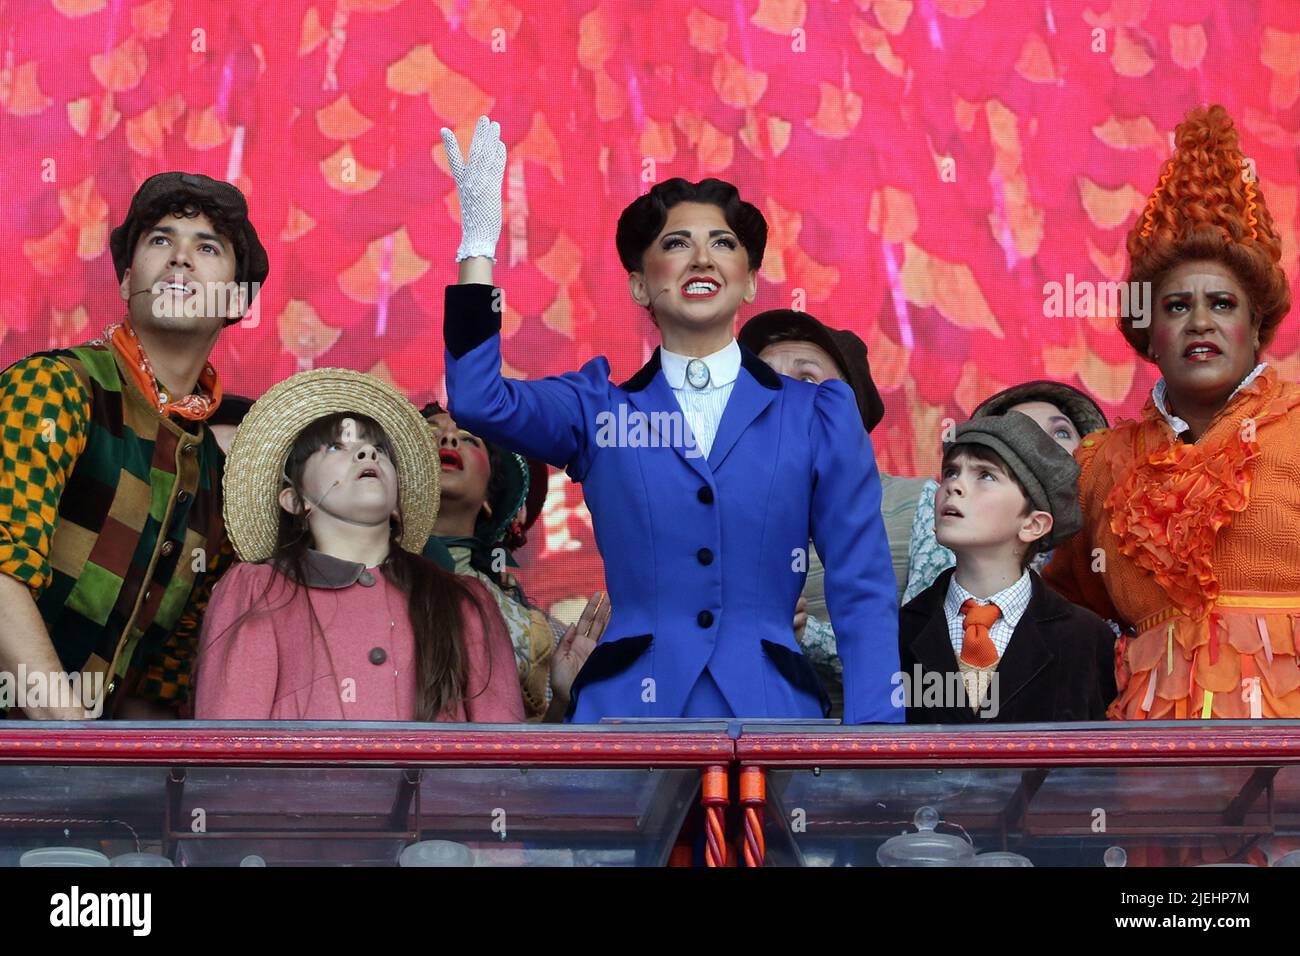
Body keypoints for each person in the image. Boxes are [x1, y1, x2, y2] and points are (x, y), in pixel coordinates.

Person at [440, 117, 900, 722]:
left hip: (775, 721)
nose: (702, 257)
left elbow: (861, 591)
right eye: (677, 243)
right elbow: (479, 401)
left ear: (750, 282)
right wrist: (477, 247)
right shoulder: (598, 408)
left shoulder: (818, 413)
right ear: (639, 285)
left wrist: (873, 753)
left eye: (724, 243)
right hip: (628, 720)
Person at [1044, 104, 1300, 720]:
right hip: (1153, 771)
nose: (1201, 322)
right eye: (1177, 306)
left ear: (1255, 325)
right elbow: (1057, 609)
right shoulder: (1101, 464)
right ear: (1148, 333)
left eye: (1222, 303)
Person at [0, 172, 266, 719]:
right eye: (160, 240)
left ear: (239, 299)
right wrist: (76, 745)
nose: (180, 259)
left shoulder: (218, 480)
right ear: (126, 281)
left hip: (84, 785)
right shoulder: (53, 386)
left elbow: (159, 685)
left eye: (207, 246)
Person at [195, 368, 537, 721]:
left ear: (397, 501)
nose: (366, 455)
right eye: (336, 447)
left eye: (378, 449)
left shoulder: (464, 602)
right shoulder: (257, 590)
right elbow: (230, 753)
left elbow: (500, 757)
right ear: (295, 500)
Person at [738, 308, 928, 715]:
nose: (783, 394)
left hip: (857, 758)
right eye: (763, 378)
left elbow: (935, 660)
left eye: (807, 379)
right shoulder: (707, 506)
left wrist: (811, 637)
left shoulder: (920, 505)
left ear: (848, 408)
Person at [899, 414, 1116, 722]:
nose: (954, 486)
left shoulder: (1085, 639)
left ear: (1033, 524)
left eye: (985, 475)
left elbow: (1099, 765)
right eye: (950, 472)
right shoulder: (900, 630)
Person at [422, 402, 609, 721]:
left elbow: (532, 764)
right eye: (429, 435)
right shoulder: (362, 582)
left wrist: (564, 699)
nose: (449, 440)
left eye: (468, 439)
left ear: (488, 501)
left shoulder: (537, 631)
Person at [903, 380, 1108, 604]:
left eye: (1060, 433)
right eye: (1022, 433)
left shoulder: (1112, 556)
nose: (1041, 447)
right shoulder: (925, 605)